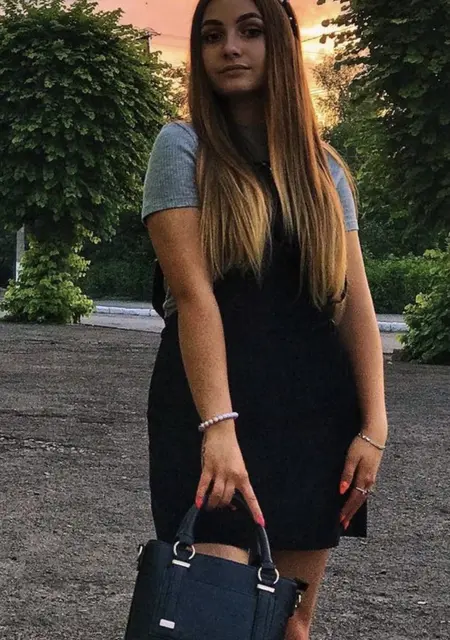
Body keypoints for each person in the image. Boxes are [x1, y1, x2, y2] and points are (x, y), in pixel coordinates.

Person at [142, 1, 388, 638]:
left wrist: (374, 426)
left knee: (290, 625)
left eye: (250, 32)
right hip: (210, 413)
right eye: (212, 36)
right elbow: (194, 298)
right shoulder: (183, 148)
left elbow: (353, 305)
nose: (230, 48)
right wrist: (218, 429)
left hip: (313, 420)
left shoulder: (323, 170)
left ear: (280, 44)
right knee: (209, 616)